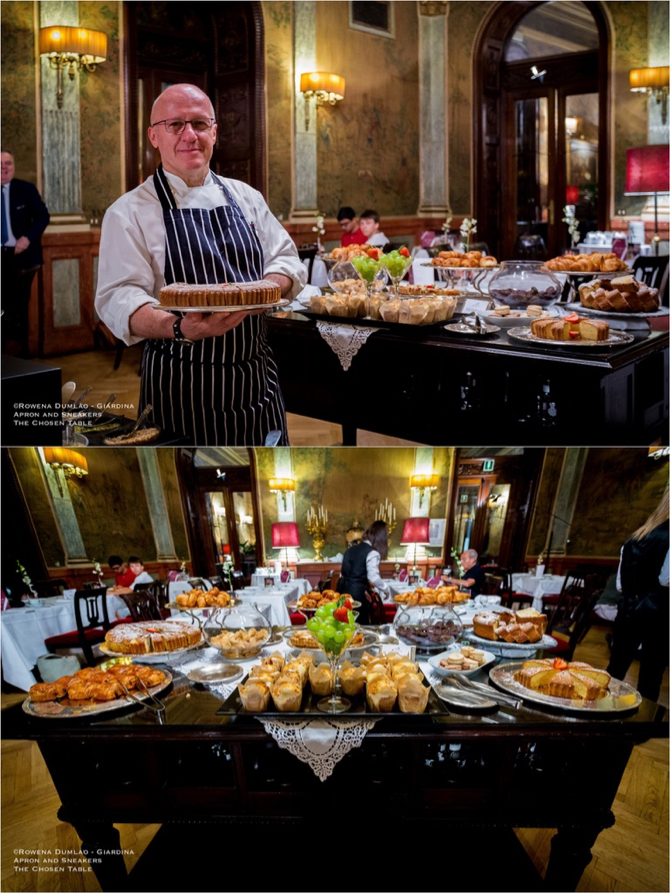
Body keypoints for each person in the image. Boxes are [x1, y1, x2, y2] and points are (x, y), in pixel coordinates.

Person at [95, 83, 306, 445]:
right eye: (176, 125)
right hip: (181, 386)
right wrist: (179, 328)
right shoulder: (128, 212)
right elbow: (118, 299)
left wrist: (266, 287)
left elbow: (285, 258)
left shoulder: (246, 197)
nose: (190, 135)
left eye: (200, 124)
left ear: (215, 133)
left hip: (256, 380)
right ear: (154, 136)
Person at [606, 490, 669, 702]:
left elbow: (620, 585)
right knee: (651, 675)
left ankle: (597, 713)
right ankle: (641, 729)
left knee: (615, 670)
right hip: (658, 612)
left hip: (628, 609)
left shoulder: (634, 538)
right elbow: (666, 580)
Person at [1, 150, 50, 357]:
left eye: (8, 163)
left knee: (18, 308)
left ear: (14, 166)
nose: (4, 167)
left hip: (21, 259)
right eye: (0, 164)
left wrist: (27, 238)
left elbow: (42, 217)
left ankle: (22, 359)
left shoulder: (26, 189)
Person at [336, 520, 391, 623]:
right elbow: (373, 578)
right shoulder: (372, 553)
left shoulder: (350, 550)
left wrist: (365, 589)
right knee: (359, 628)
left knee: (342, 625)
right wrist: (386, 589)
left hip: (342, 592)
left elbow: (346, 573)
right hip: (357, 596)